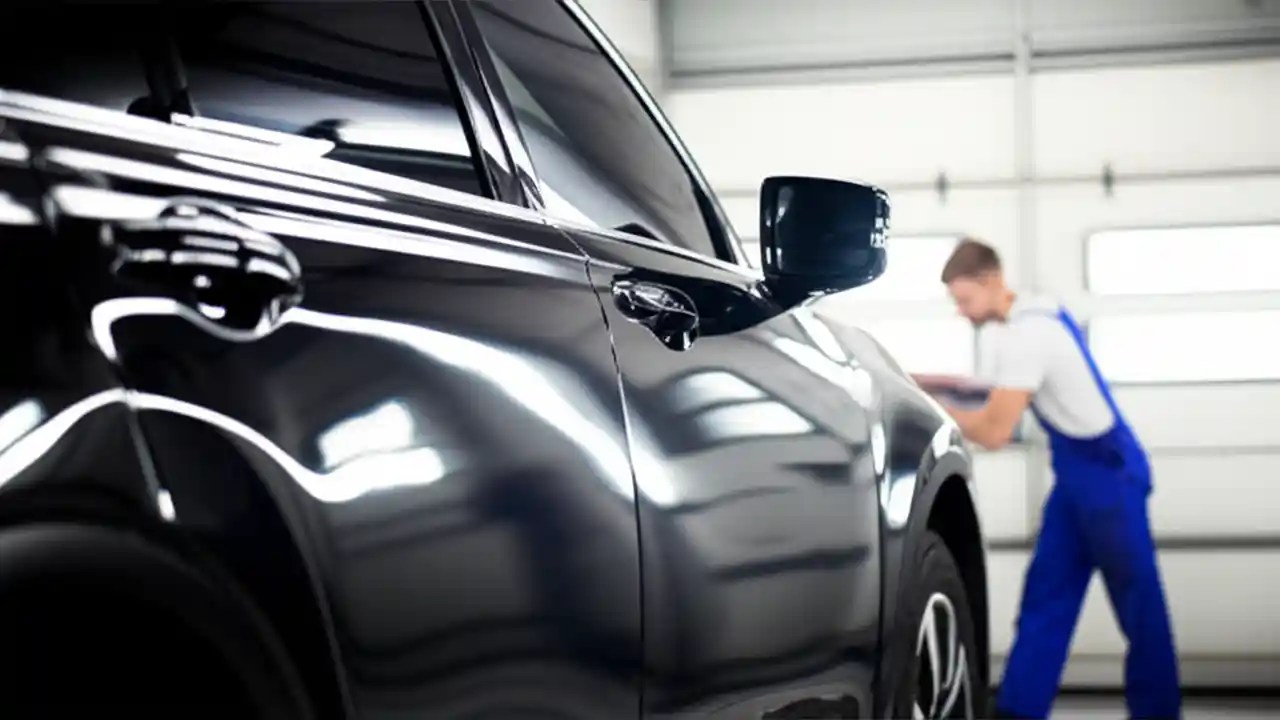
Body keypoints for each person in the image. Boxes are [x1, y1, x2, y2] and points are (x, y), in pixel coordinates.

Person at [915, 238, 1181, 720]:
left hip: (1108, 477)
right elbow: (983, 395)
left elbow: (995, 429)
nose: (962, 312)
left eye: (964, 299)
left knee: (1140, 611)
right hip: (1076, 478)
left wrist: (928, 408)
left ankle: (1158, 714)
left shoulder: (1029, 337)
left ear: (992, 281)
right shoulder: (1031, 318)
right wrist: (916, 380)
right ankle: (1018, 711)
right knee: (1045, 598)